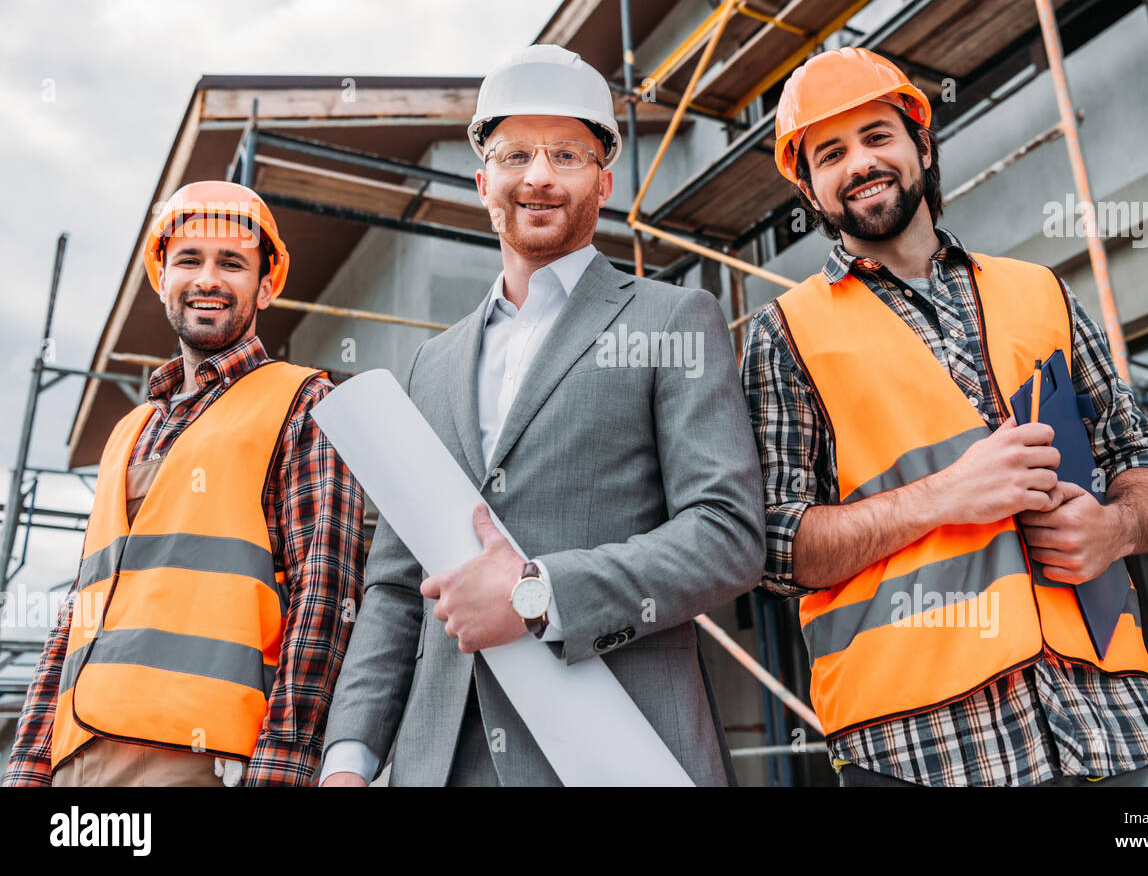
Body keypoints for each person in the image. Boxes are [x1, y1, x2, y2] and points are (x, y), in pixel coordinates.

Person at [741, 47, 1148, 787]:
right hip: (925, 750)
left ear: (921, 143)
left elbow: (1147, 465)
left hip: (1120, 728)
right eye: (831, 152)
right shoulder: (783, 333)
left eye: (878, 136)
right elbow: (773, 546)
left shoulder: (1040, 291)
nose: (860, 162)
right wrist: (946, 495)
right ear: (808, 185)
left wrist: (1114, 527)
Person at [319, 45, 765, 786]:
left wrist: (537, 595)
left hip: (619, 750)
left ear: (604, 178)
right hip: (444, 762)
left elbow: (726, 534)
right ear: (482, 179)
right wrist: (349, 757)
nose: (538, 176)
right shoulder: (433, 365)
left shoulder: (674, 318)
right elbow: (396, 587)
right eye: (515, 153)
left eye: (567, 153)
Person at [3, 181, 365, 787]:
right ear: (162, 277)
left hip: (204, 761)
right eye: (189, 259)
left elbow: (323, 597)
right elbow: (78, 613)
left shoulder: (302, 402)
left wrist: (284, 766)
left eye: (232, 262)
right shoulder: (129, 431)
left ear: (266, 286)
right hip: (77, 759)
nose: (208, 279)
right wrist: (27, 766)